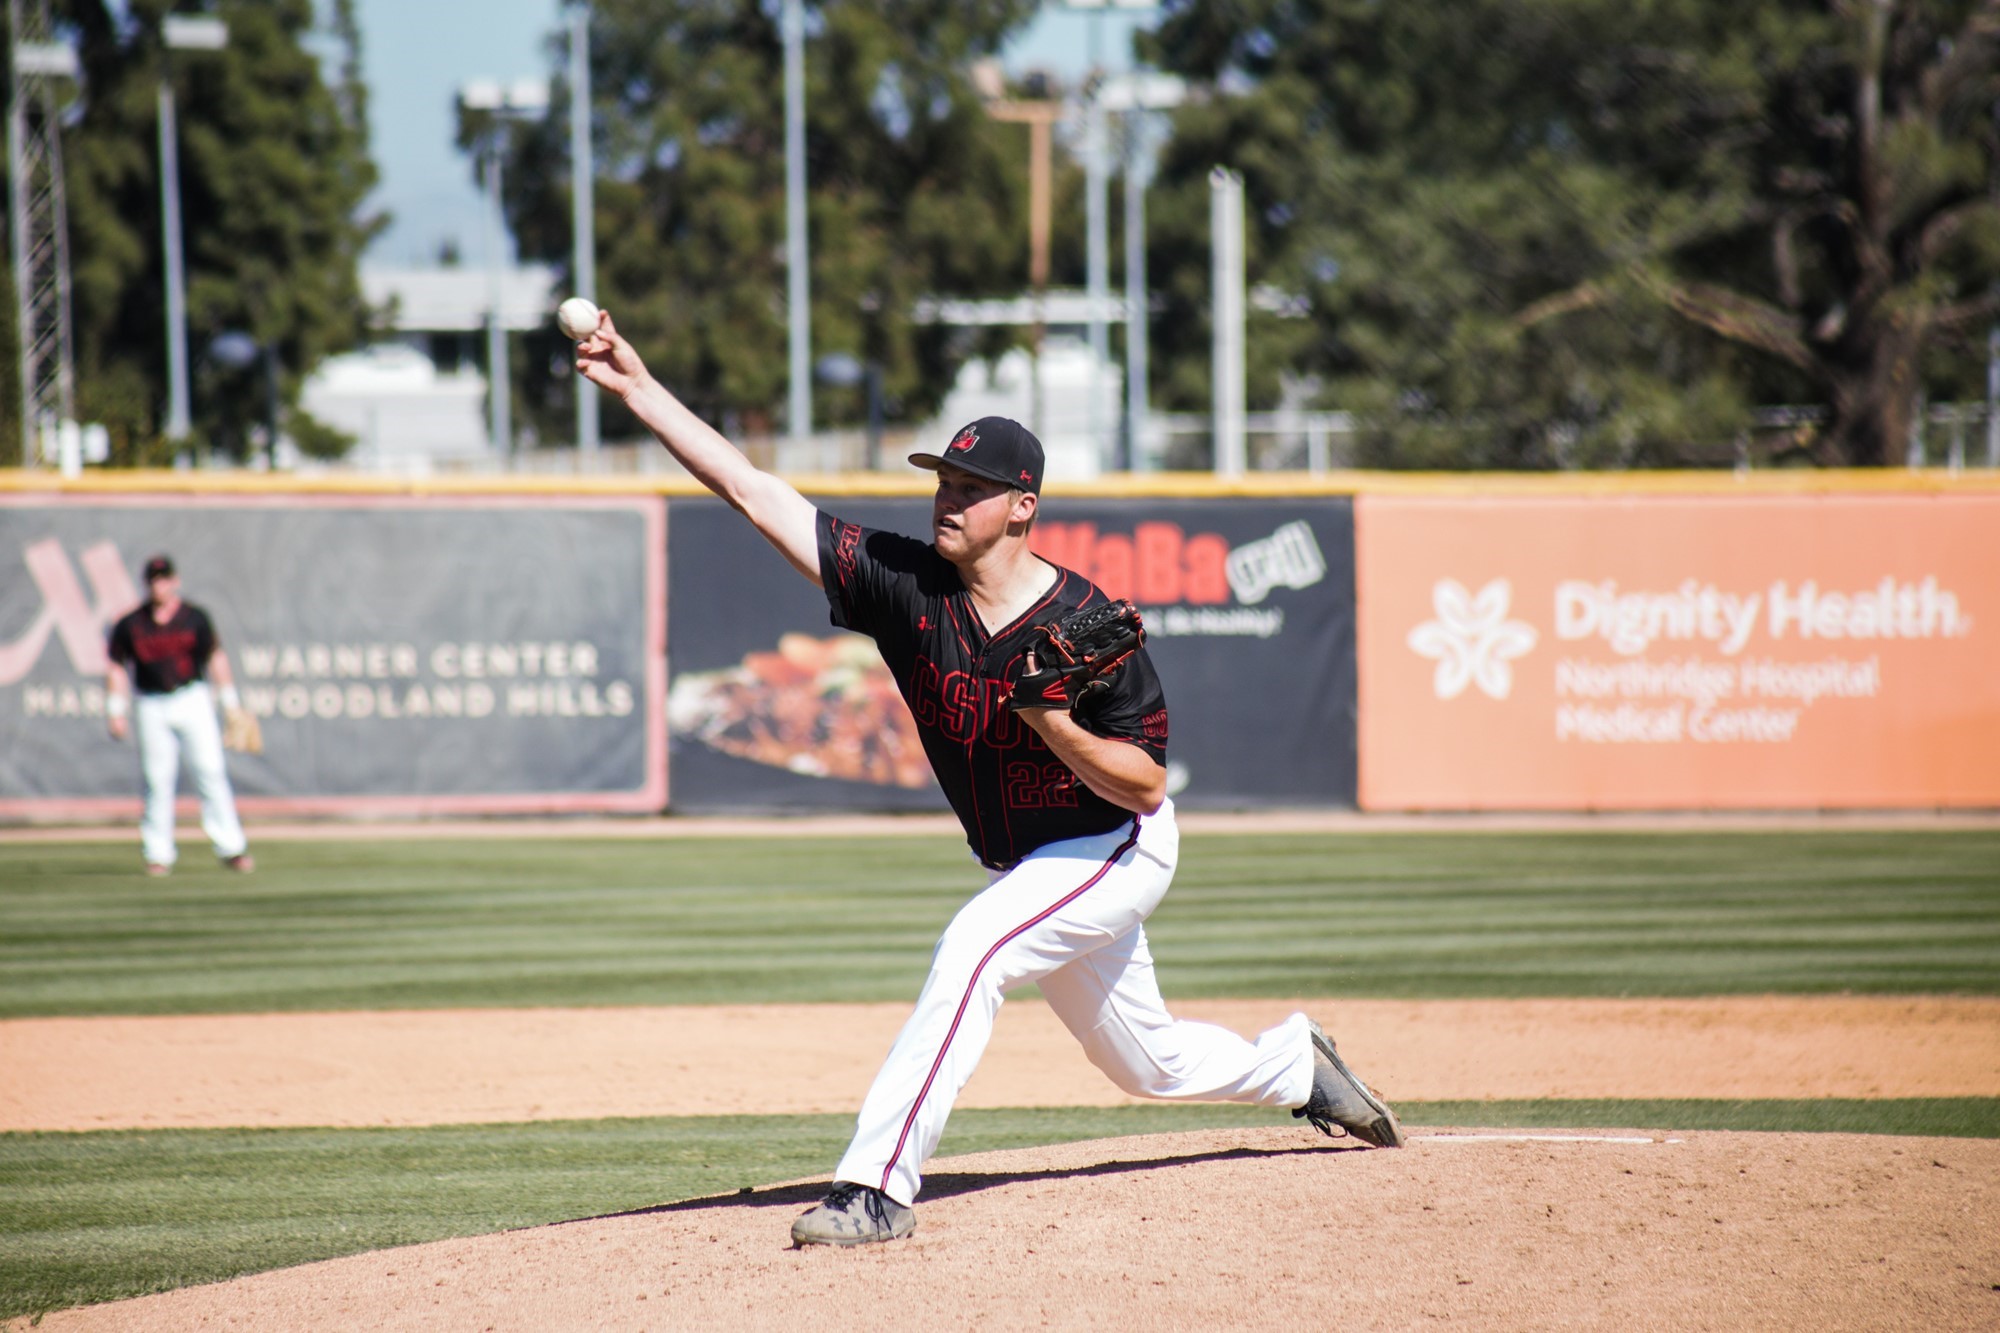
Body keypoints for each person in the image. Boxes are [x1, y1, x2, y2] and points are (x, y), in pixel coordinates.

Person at [575, 311, 1403, 1249]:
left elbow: (1143, 786)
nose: (947, 500)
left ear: (1021, 505)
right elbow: (751, 489)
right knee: (1150, 1064)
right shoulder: (906, 587)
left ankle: (876, 1188)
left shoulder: (1083, 622)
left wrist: (1048, 717)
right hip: (1031, 860)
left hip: (1115, 846)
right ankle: (1296, 1066)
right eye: (942, 480)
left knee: (975, 950)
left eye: (972, 488)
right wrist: (637, 386)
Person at [105, 554, 254, 876]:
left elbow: (216, 658)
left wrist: (230, 703)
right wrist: (115, 709)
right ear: (147, 584)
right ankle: (158, 853)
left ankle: (232, 847)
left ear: (176, 581)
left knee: (211, 771)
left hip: (192, 698)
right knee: (157, 780)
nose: (160, 585)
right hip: (151, 702)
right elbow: (116, 666)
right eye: (154, 580)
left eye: (165, 578)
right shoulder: (131, 623)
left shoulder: (194, 618)